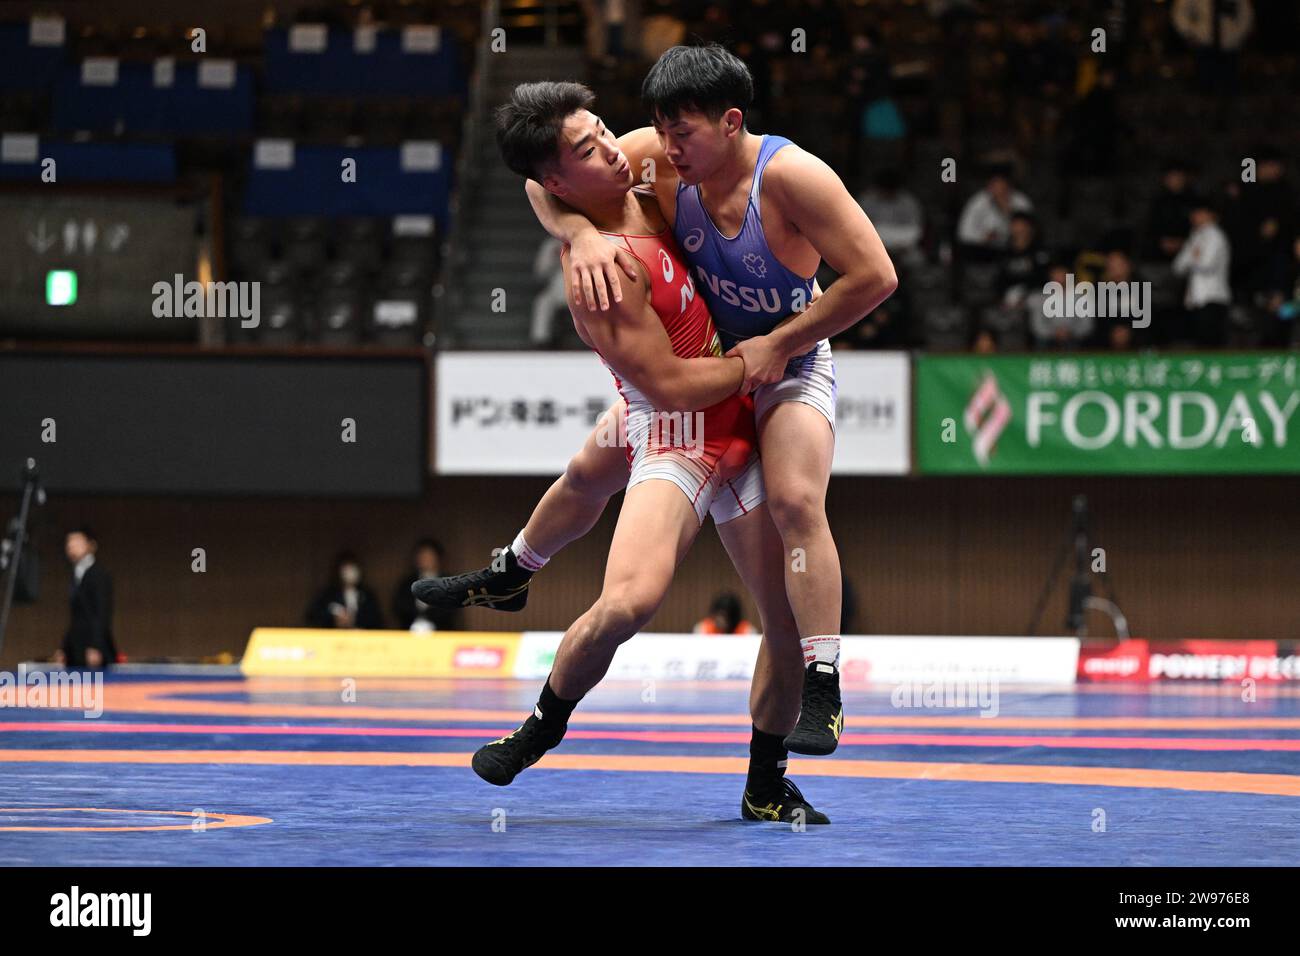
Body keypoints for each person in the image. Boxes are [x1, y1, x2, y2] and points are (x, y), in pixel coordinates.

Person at [431, 81, 832, 823]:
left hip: (741, 414)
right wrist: (761, 354)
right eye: (587, 149)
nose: (613, 147)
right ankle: (543, 723)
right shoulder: (599, 276)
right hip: (681, 417)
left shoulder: (636, 171)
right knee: (629, 599)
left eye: (603, 131)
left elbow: (534, 181)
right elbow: (673, 388)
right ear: (562, 180)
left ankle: (765, 783)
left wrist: (570, 224)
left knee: (776, 616)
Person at [520, 44, 897, 758]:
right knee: (597, 460)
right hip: (709, 372)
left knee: (794, 501)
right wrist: (576, 236)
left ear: (730, 122)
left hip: (786, 361)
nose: (659, 151)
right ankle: (514, 571)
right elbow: (543, 177)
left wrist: (780, 343)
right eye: (657, 131)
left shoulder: (794, 176)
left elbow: (876, 277)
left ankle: (824, 681)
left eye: (680, 134)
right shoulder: (664, 160)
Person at [52, 527, 117, 669]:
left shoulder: (99, 574)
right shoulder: (76, 574)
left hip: (93, 650)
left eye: (76, 541)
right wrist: (64, 648)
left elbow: (101, 613)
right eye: (69, 542)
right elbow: (76, 617)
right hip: (76, 650)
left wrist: (96, 646)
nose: (71, 546)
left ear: (91, 545)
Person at [1172, 197, 1232, 347]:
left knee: (1211, 346)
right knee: (1198, 345)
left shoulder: (1216, 235)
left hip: (1213, 298)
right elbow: (1177, 267)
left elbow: (1206, 264)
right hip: (1195, 300)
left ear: (1209, 214)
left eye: (1198, 212)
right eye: (1193, 213)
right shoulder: (1194, 236)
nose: (1194, 216)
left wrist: (1191, 259)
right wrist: (1194, 257)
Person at [305, 551, 384, 630]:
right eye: (346, 568)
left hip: (362, 638)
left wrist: (354, 619)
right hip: (334, 637)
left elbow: (377, 620)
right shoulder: (328, 594)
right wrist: (334, 619)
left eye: (352, 568)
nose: (350, 572)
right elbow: (313, 616)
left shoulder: (367, 595)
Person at [393, 539, 458, 631]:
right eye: (422, 556)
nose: (425, 559)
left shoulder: (449, 582)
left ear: (437, 557)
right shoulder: (407, 582)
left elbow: (451, 607)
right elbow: (399, 605)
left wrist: (428, 617)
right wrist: (418, 617)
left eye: (429, 555)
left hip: (441, 632)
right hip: (409, 631)